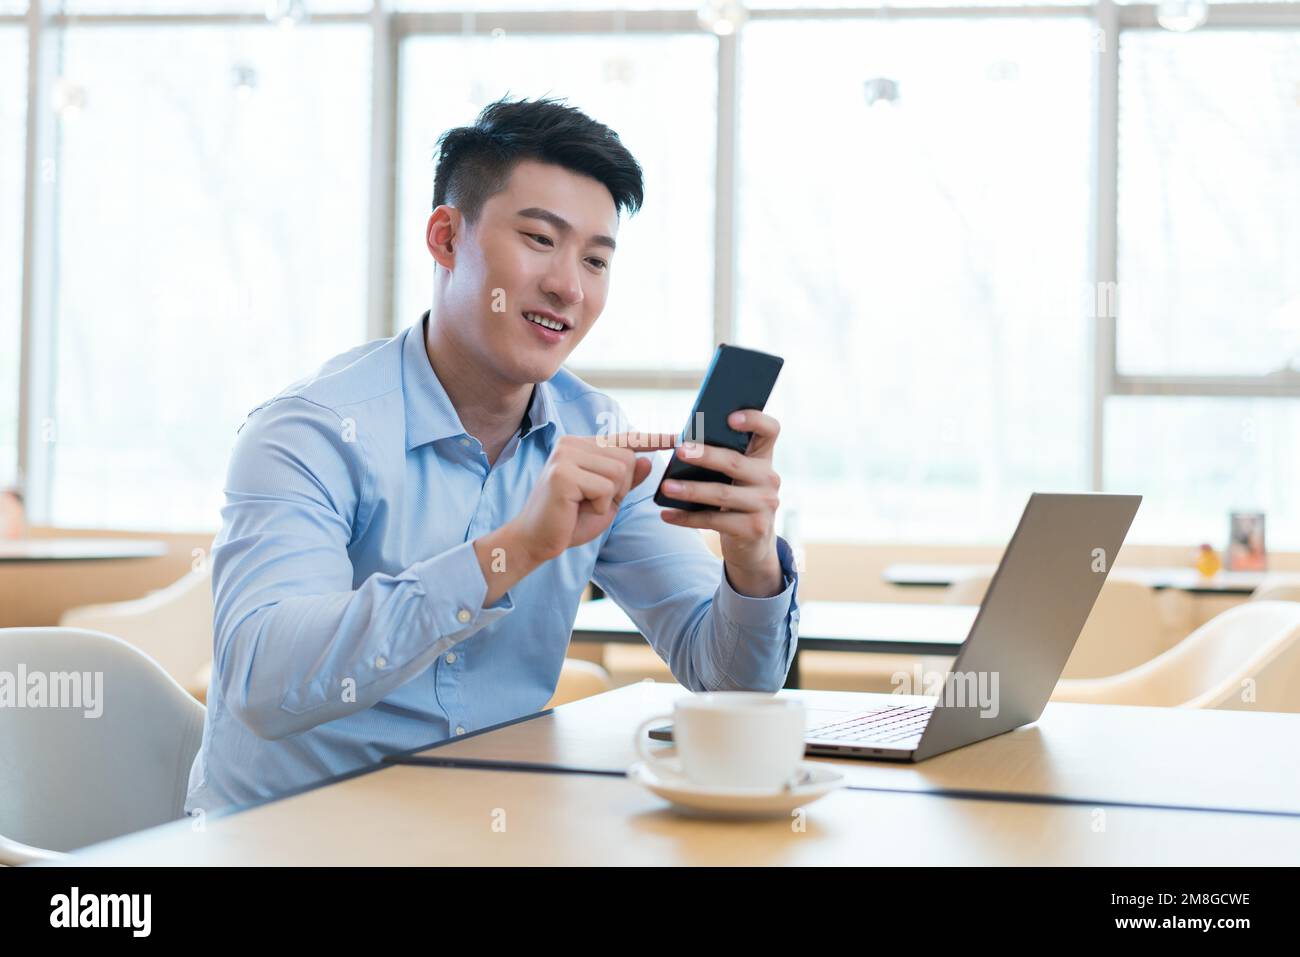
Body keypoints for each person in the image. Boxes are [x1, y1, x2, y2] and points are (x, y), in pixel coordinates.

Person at [185, 97, 800, 814]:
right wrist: (510, 551)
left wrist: (750, 563)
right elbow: (264, 681)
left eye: (596, 259)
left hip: (489, 833)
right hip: (290, 840)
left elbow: (729, 686)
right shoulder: (310, 433)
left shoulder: (596, 433)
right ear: (446, 237)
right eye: (540, 238)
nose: (570, 285)